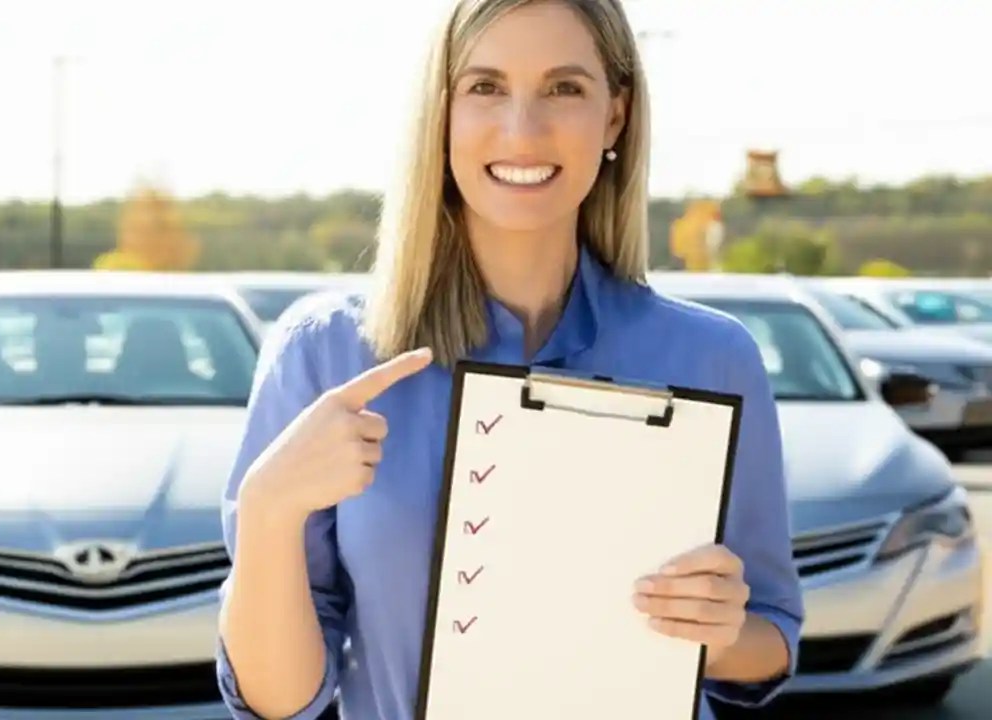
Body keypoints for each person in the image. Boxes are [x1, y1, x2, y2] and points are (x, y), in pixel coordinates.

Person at [215, 1, 804, 718]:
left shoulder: (715, 358)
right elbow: (280, 704)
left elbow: (771, 636)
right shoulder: (326, 352)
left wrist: (719, 632)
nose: (522, 131)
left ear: (614, 117)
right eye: (485, 87)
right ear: (441, 113)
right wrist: (269, 512)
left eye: (564, 88)